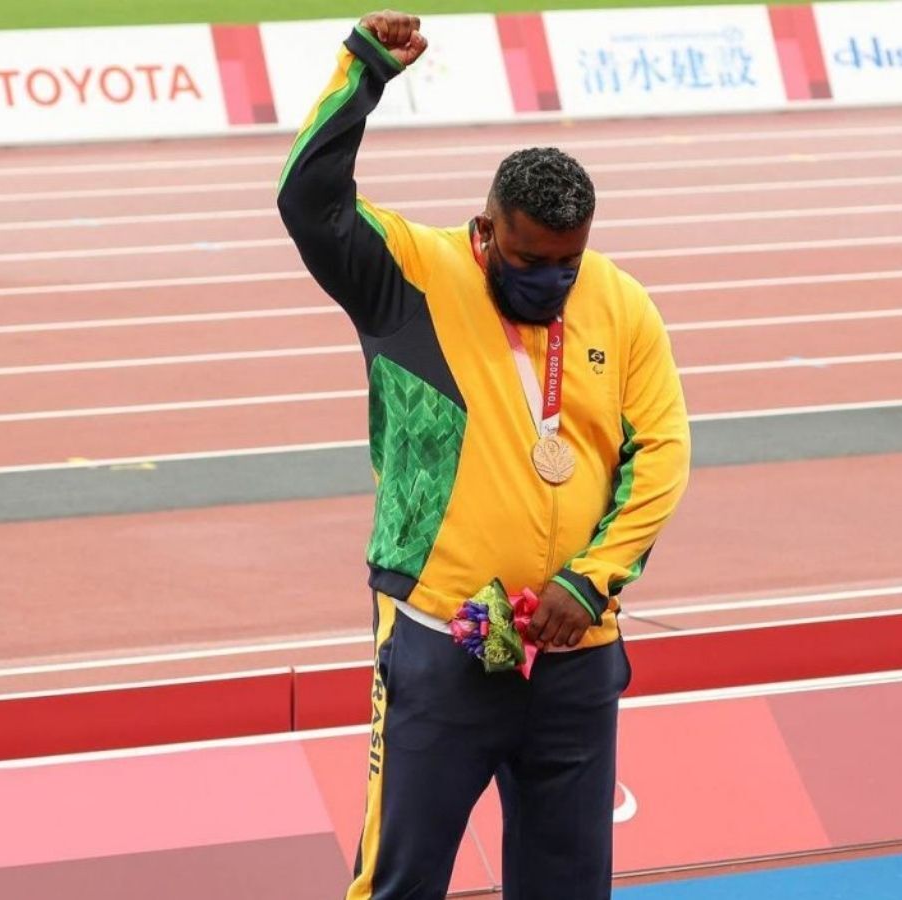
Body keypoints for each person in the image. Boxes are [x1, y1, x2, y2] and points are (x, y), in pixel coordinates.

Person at [276, 10, 691, 900]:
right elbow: (307, 203)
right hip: (439, 644)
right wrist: (364, 71)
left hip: (576, 653)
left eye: (568, 263)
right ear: (486, 225)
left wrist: (594, 580)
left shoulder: (622, 306)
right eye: (529, 257)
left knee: (567, 886)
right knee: (401, 881)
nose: (551, 278)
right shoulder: (409, 276)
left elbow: (661, 451)